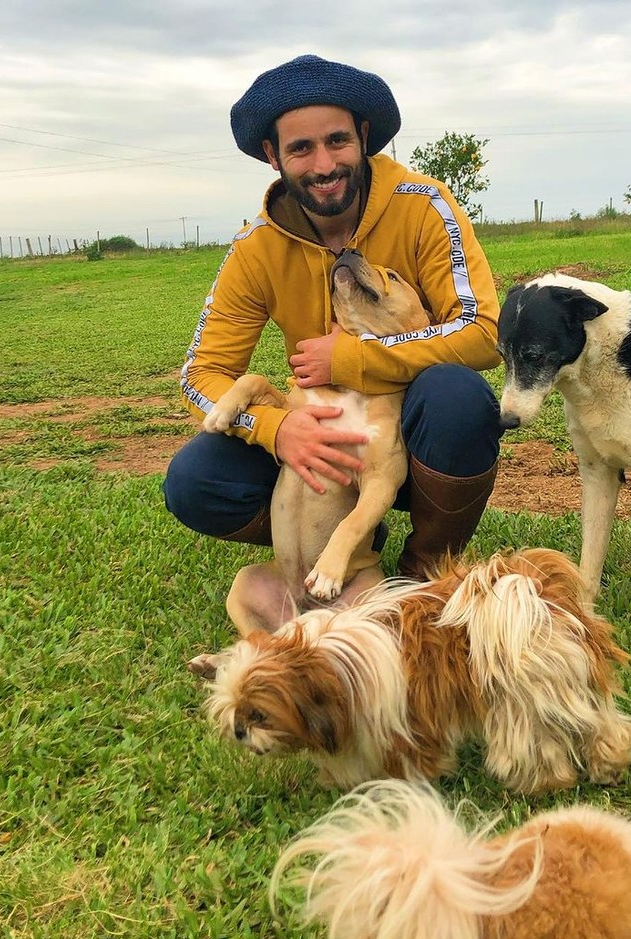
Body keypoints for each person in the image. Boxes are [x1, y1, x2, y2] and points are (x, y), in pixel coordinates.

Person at [163, 53, 501, 587]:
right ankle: (344, 535)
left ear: (364, 137)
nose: (324, 165)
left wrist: (350, 359)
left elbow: (484, 333)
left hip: (413, 437)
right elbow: (200, 375)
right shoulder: (256, 250)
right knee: (195, 479)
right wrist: (276, 429)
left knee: (456, 397)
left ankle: (426, 566)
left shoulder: (423, 205)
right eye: (301, 147)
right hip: (324, 445)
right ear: (272, 155)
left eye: (337, 140)